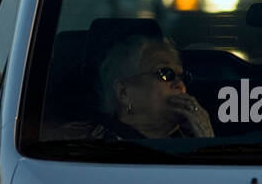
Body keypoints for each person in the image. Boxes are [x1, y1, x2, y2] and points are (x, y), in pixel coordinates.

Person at [49, 33, 213, 140]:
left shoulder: (190, 141)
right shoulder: (79, 142)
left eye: (182, 76)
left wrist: (206, 141)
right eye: (165, 73)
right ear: (123, 92)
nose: (180, 84)